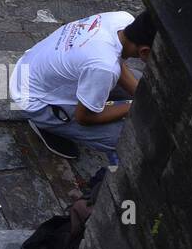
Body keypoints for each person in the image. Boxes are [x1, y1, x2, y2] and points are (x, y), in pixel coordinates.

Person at [10, 11, 155, 161]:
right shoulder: (104, 66)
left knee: (140, 82)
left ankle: (81, 105)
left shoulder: (122, 19)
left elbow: (114, 62)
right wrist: (135, 105)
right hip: (33, 99)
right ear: (145, 52)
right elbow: (85, 117)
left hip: (30, 70)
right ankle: (47, 124)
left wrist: (142, 95)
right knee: (127, 137)